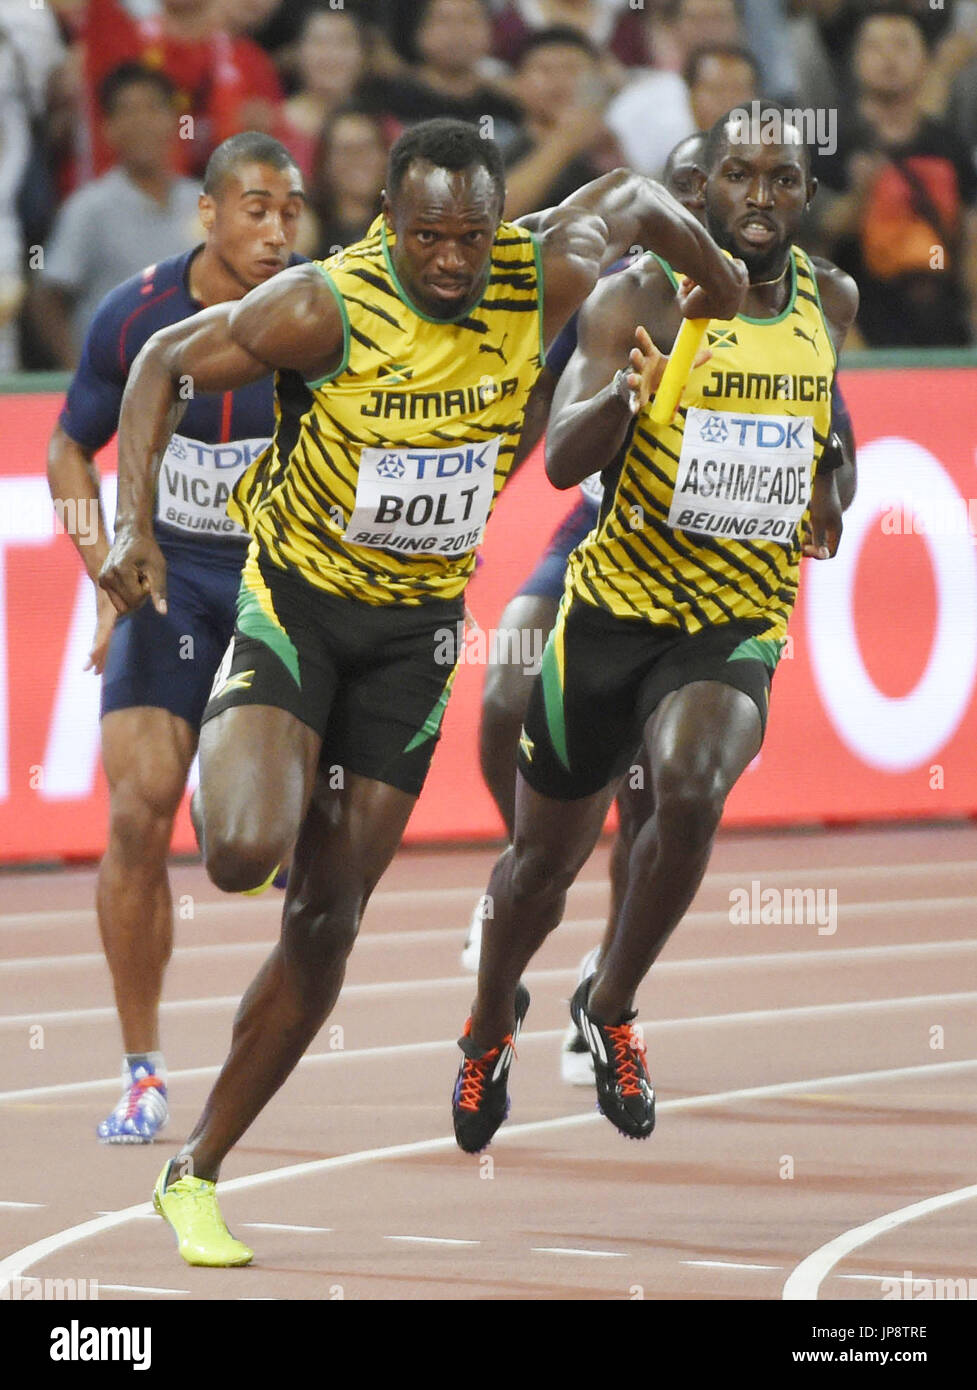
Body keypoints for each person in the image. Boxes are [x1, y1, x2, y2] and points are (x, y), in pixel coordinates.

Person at [98, 115, 746, 1265]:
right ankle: (275, 777)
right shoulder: (321, 306)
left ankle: (192, 1171)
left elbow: (641, 200)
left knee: (326, 921)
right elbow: (158, 365)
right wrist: (132, 525)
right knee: (242, 854)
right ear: (385, 224)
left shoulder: (536, 264)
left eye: (469, 233)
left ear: (500, 222)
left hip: (414, 643)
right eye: (426, 236)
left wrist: (719, 281)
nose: (451, 259)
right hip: (297, 612)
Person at [450, 105, 858, 1155]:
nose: (756, 196)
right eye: (736, 176)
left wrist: (826, 496)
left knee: (686, 783)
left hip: (733, 614)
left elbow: (826, 441)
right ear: (703, 191)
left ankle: (612, 1001)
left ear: (803, 197)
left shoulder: (832, 300)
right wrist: (625, 403)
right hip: (614, 608)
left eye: (779, 178)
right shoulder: (637, 292)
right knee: (538, 868)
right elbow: (560, 458)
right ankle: (488, 1021)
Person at [46, 131, 306, 1145]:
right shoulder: (137, 314)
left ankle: (248, 808)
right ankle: (142, 1072)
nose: (275, 229)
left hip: (277, 584)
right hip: (169, 580)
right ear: (207, 214)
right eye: (253, 208)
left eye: (289, 209)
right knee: (137, 811)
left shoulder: (320, 318)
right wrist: (105, 562)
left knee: (258, 843)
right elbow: (70, 444)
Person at [33, 64, 202, 368]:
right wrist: (75, 371)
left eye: (153, 108)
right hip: (116, 384)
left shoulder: (204, 201)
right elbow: (47, 296)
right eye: (127, 111)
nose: (141, 122)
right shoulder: (88, 208)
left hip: (198, 382)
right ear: (108, 129)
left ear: (174, 121)